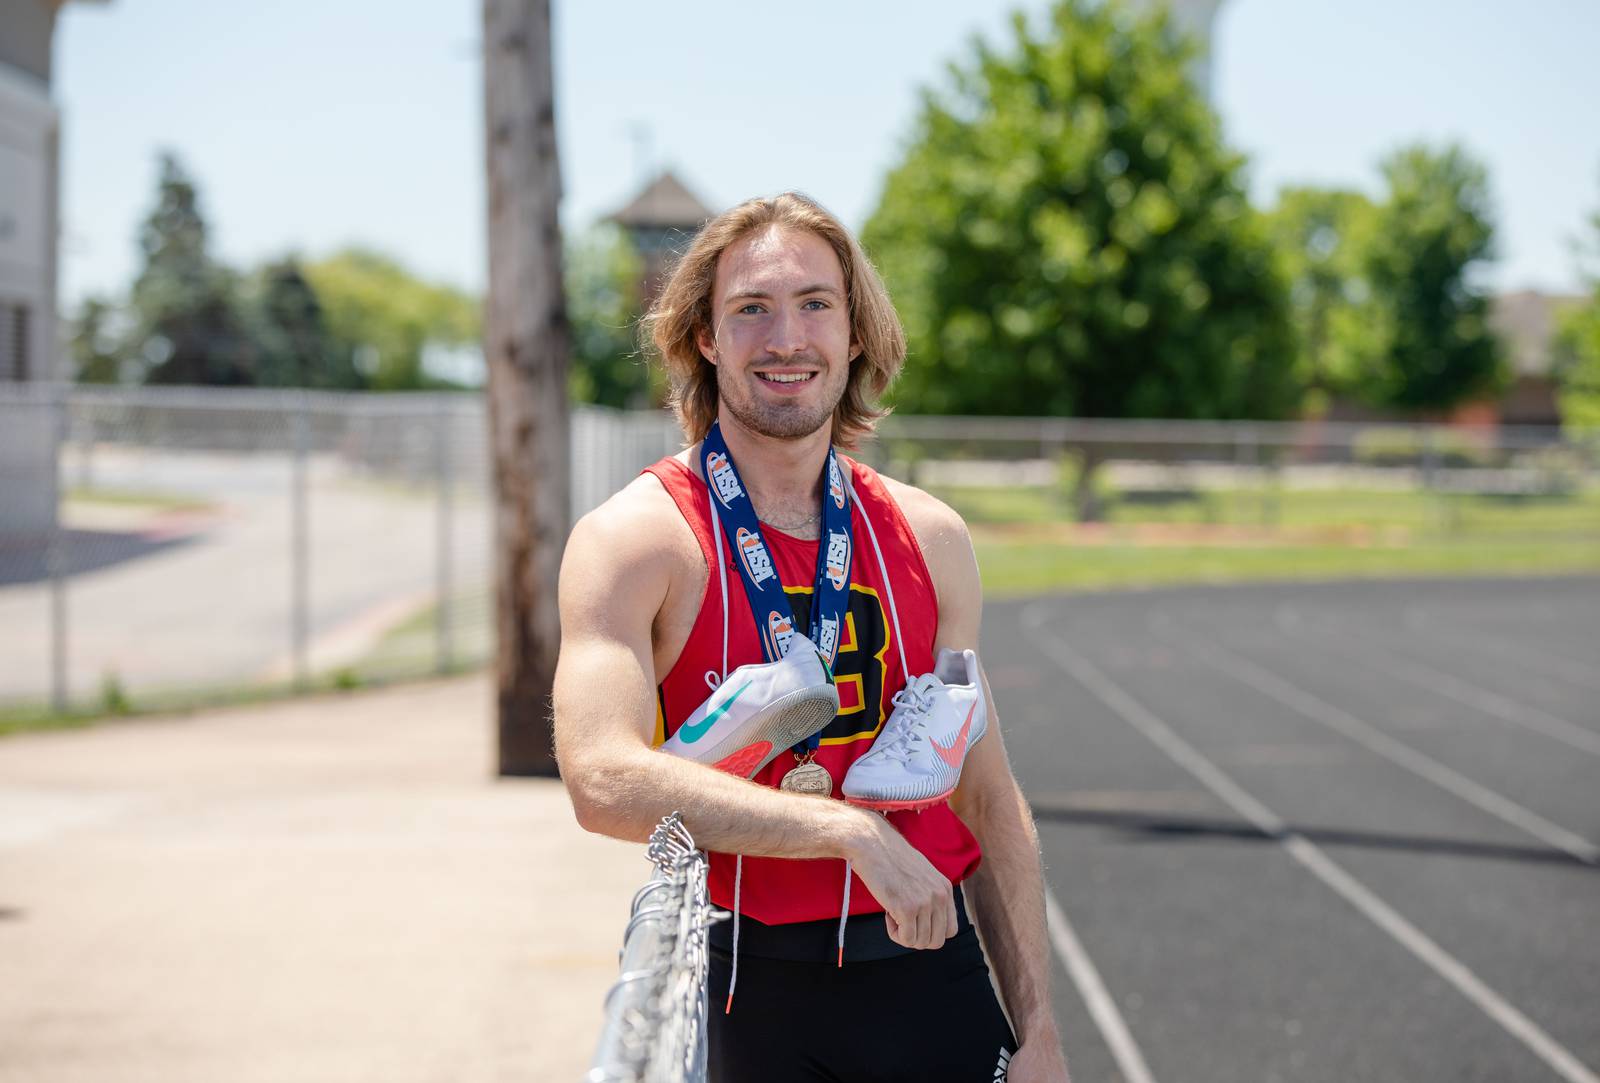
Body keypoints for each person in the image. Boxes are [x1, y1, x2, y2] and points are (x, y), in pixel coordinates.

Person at [554, 192, 1071, 1083]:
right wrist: (845, 832)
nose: (786, 337)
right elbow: (602, 777)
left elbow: (987, 798)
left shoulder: (929, 537)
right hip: (742, 987)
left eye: (815, 304)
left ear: (856, 332)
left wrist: (1040, 1032)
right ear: (706, 339)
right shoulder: (638, 539)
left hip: (925, 972)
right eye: (751, 308)